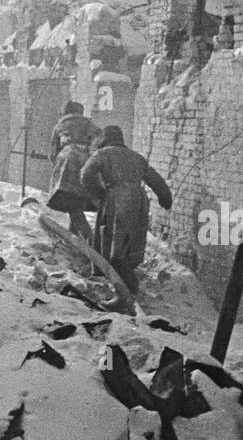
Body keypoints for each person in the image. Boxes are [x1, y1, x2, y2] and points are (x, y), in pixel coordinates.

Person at [80, 124, 172, 306]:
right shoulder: (136, 157)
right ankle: (125, 291)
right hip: (138, 201)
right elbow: (155, 180)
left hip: (117, 200)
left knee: (115, 248)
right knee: (129, 246)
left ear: (104, 138)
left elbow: (85, 175)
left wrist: (99, 194)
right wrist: (165, 198)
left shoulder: (102, 154)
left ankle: (126, 294)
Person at [47, 99, 99, 242]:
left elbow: (52, 153)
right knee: (76, 201)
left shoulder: (60, 126)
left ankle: (90, 239)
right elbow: (99, 144)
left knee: (71, 202)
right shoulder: (91, 125)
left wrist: (57, 166)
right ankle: (73, 238)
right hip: (89, 164)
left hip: (67, 164)